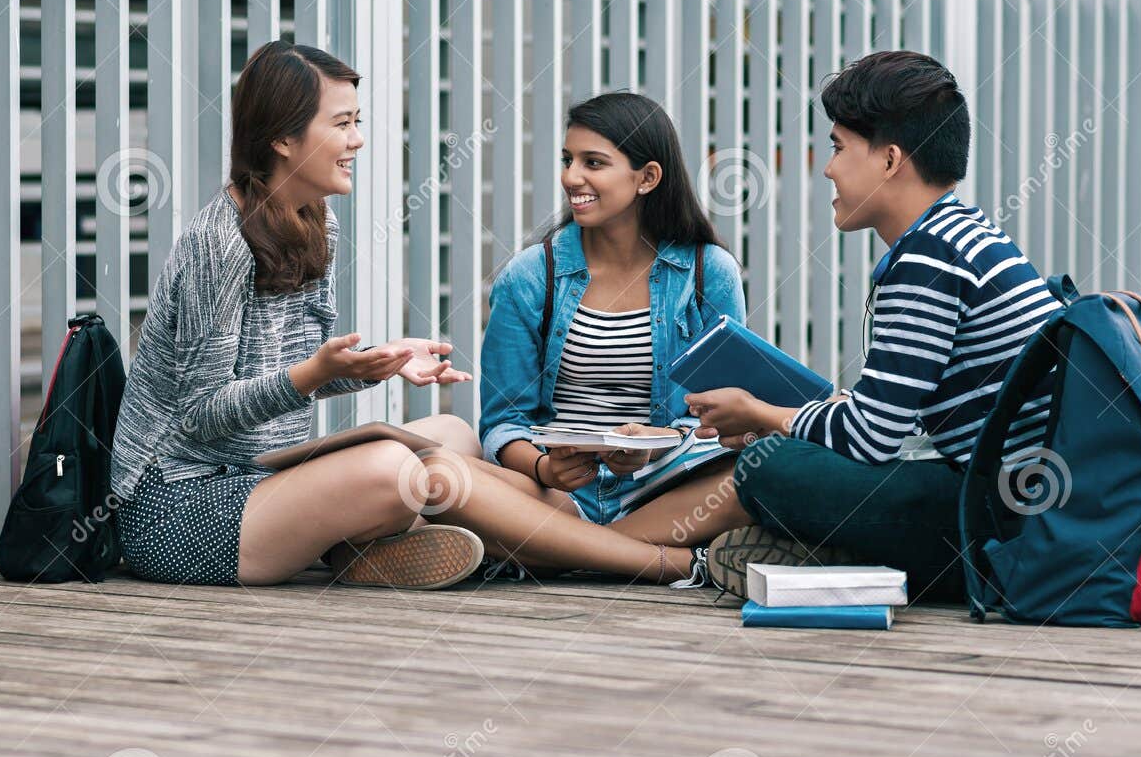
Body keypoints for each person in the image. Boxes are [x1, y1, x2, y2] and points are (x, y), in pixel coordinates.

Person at [108, 42, 700, 589]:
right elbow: (197, 419)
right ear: (282, 139)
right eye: (341, 124)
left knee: (451, 435)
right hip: (175, 506)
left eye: (356, 122)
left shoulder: (317, 223)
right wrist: (317, 375)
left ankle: (359, 553)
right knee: (398, 466)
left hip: (260, 477)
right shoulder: (220, 243)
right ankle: (656, 561)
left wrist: (371, 366)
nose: (357, 140)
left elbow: (291, 376)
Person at [675, 50, 1062, 603]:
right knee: (788, 451)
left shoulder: (928, 260)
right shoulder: (964, 233)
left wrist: (761, 414)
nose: (828, 167)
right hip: (1025, 499)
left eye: (837, 147)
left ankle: (864, 558)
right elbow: (886, 422)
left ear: (890, 160)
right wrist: (790, 419)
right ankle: (837, 553)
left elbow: (870, 438)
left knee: (768, 468)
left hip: (1007, 521)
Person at [478, 92, 746, 581]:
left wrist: (660, 441)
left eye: (593, 163)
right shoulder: (530, 275)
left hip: (665, 489)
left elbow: (728, 415)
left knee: (764, 471)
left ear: (647, 177)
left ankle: (550, 554)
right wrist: (543, 470)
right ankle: (660, 560)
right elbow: (502, 421)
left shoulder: (710, 273)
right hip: (556, 494)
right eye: (568, 160)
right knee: (439, 477)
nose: (571, 177)